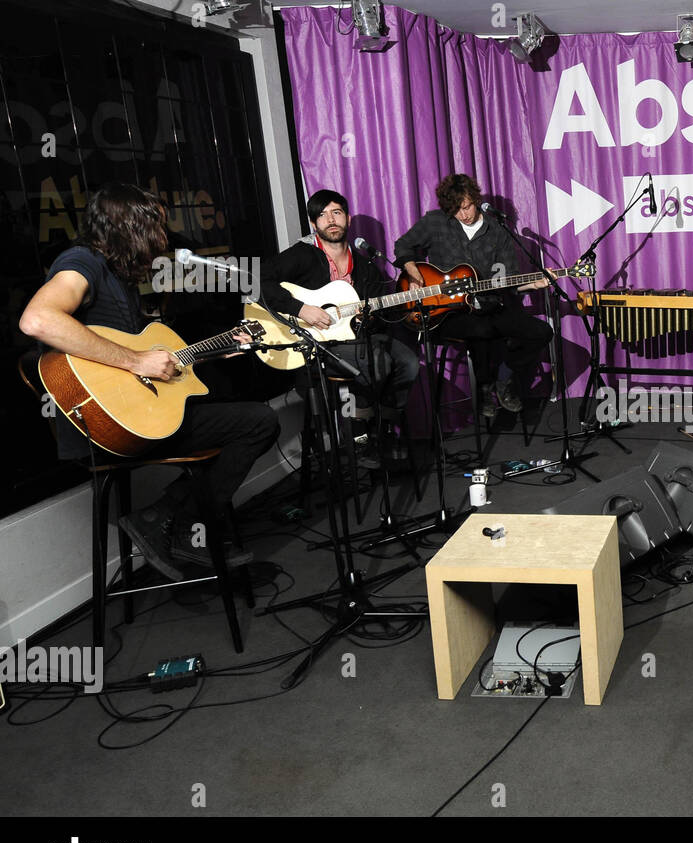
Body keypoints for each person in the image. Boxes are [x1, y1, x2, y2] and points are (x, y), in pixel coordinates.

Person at [19, 182, 279, 580]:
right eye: (156, 225)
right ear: (132, 226)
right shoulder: (81, 261)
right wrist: (136, 360)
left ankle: (165, 517)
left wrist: (212, 350)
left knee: (230, 407)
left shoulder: (118, 276)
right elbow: (37, 320)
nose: (162, 236)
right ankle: (178, 521)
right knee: (259, 422)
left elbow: (153, 354)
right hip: (100, 428)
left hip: (131, 416)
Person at [393, 174, 553, 419]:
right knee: (481, 329)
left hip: (489, 305)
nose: (463, 214)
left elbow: (508, 280)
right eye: (456, 210)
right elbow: (402, 245)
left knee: (541, 332)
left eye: (466, 206)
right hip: (446, 311)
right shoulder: (435, 222)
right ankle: (484, 386)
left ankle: (503, 377)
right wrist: (412, 271)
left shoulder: (497, 231)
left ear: (476, 200)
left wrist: (532, 284)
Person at [259, 190, 420, 421]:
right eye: (322, 215)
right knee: (377, 362)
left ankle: (383, 421)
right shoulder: (301, 255)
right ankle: (357, 423)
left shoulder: (366, 266)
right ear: (313, 223)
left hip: (360, 338)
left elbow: (382, 316)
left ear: (348, 218)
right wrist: (300, 309)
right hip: (318, 343)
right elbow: (254, 281)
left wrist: (371, 318)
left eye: (336, 212)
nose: (331, 220)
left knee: (409, 363)